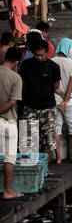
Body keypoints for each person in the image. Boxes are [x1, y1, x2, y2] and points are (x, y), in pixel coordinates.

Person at [18, 38, 59, 161]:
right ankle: (30, 165)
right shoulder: (26, 65)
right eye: (36, 55)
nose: (39, 57)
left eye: (41, 55)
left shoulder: (54, 67)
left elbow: (56, 86)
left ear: (46, 53)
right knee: (28, 140)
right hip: (30, 106)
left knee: (48, 140)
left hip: (48, 107)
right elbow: (22, 84)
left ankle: (44, 166)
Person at [53, 38, 72, 164]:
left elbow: (52, 84)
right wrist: (66, 100)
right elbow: (71, 84)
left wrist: (60, 94)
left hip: (54, 100)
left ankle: (58, 157)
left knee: (56, 129)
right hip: (70, 101)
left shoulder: (51, 61)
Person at [0, 45, 23, 199]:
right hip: (8, 121)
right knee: (9, 157)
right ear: (17, 62)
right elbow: (13, 101)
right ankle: (8, 191)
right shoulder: (15, 77)